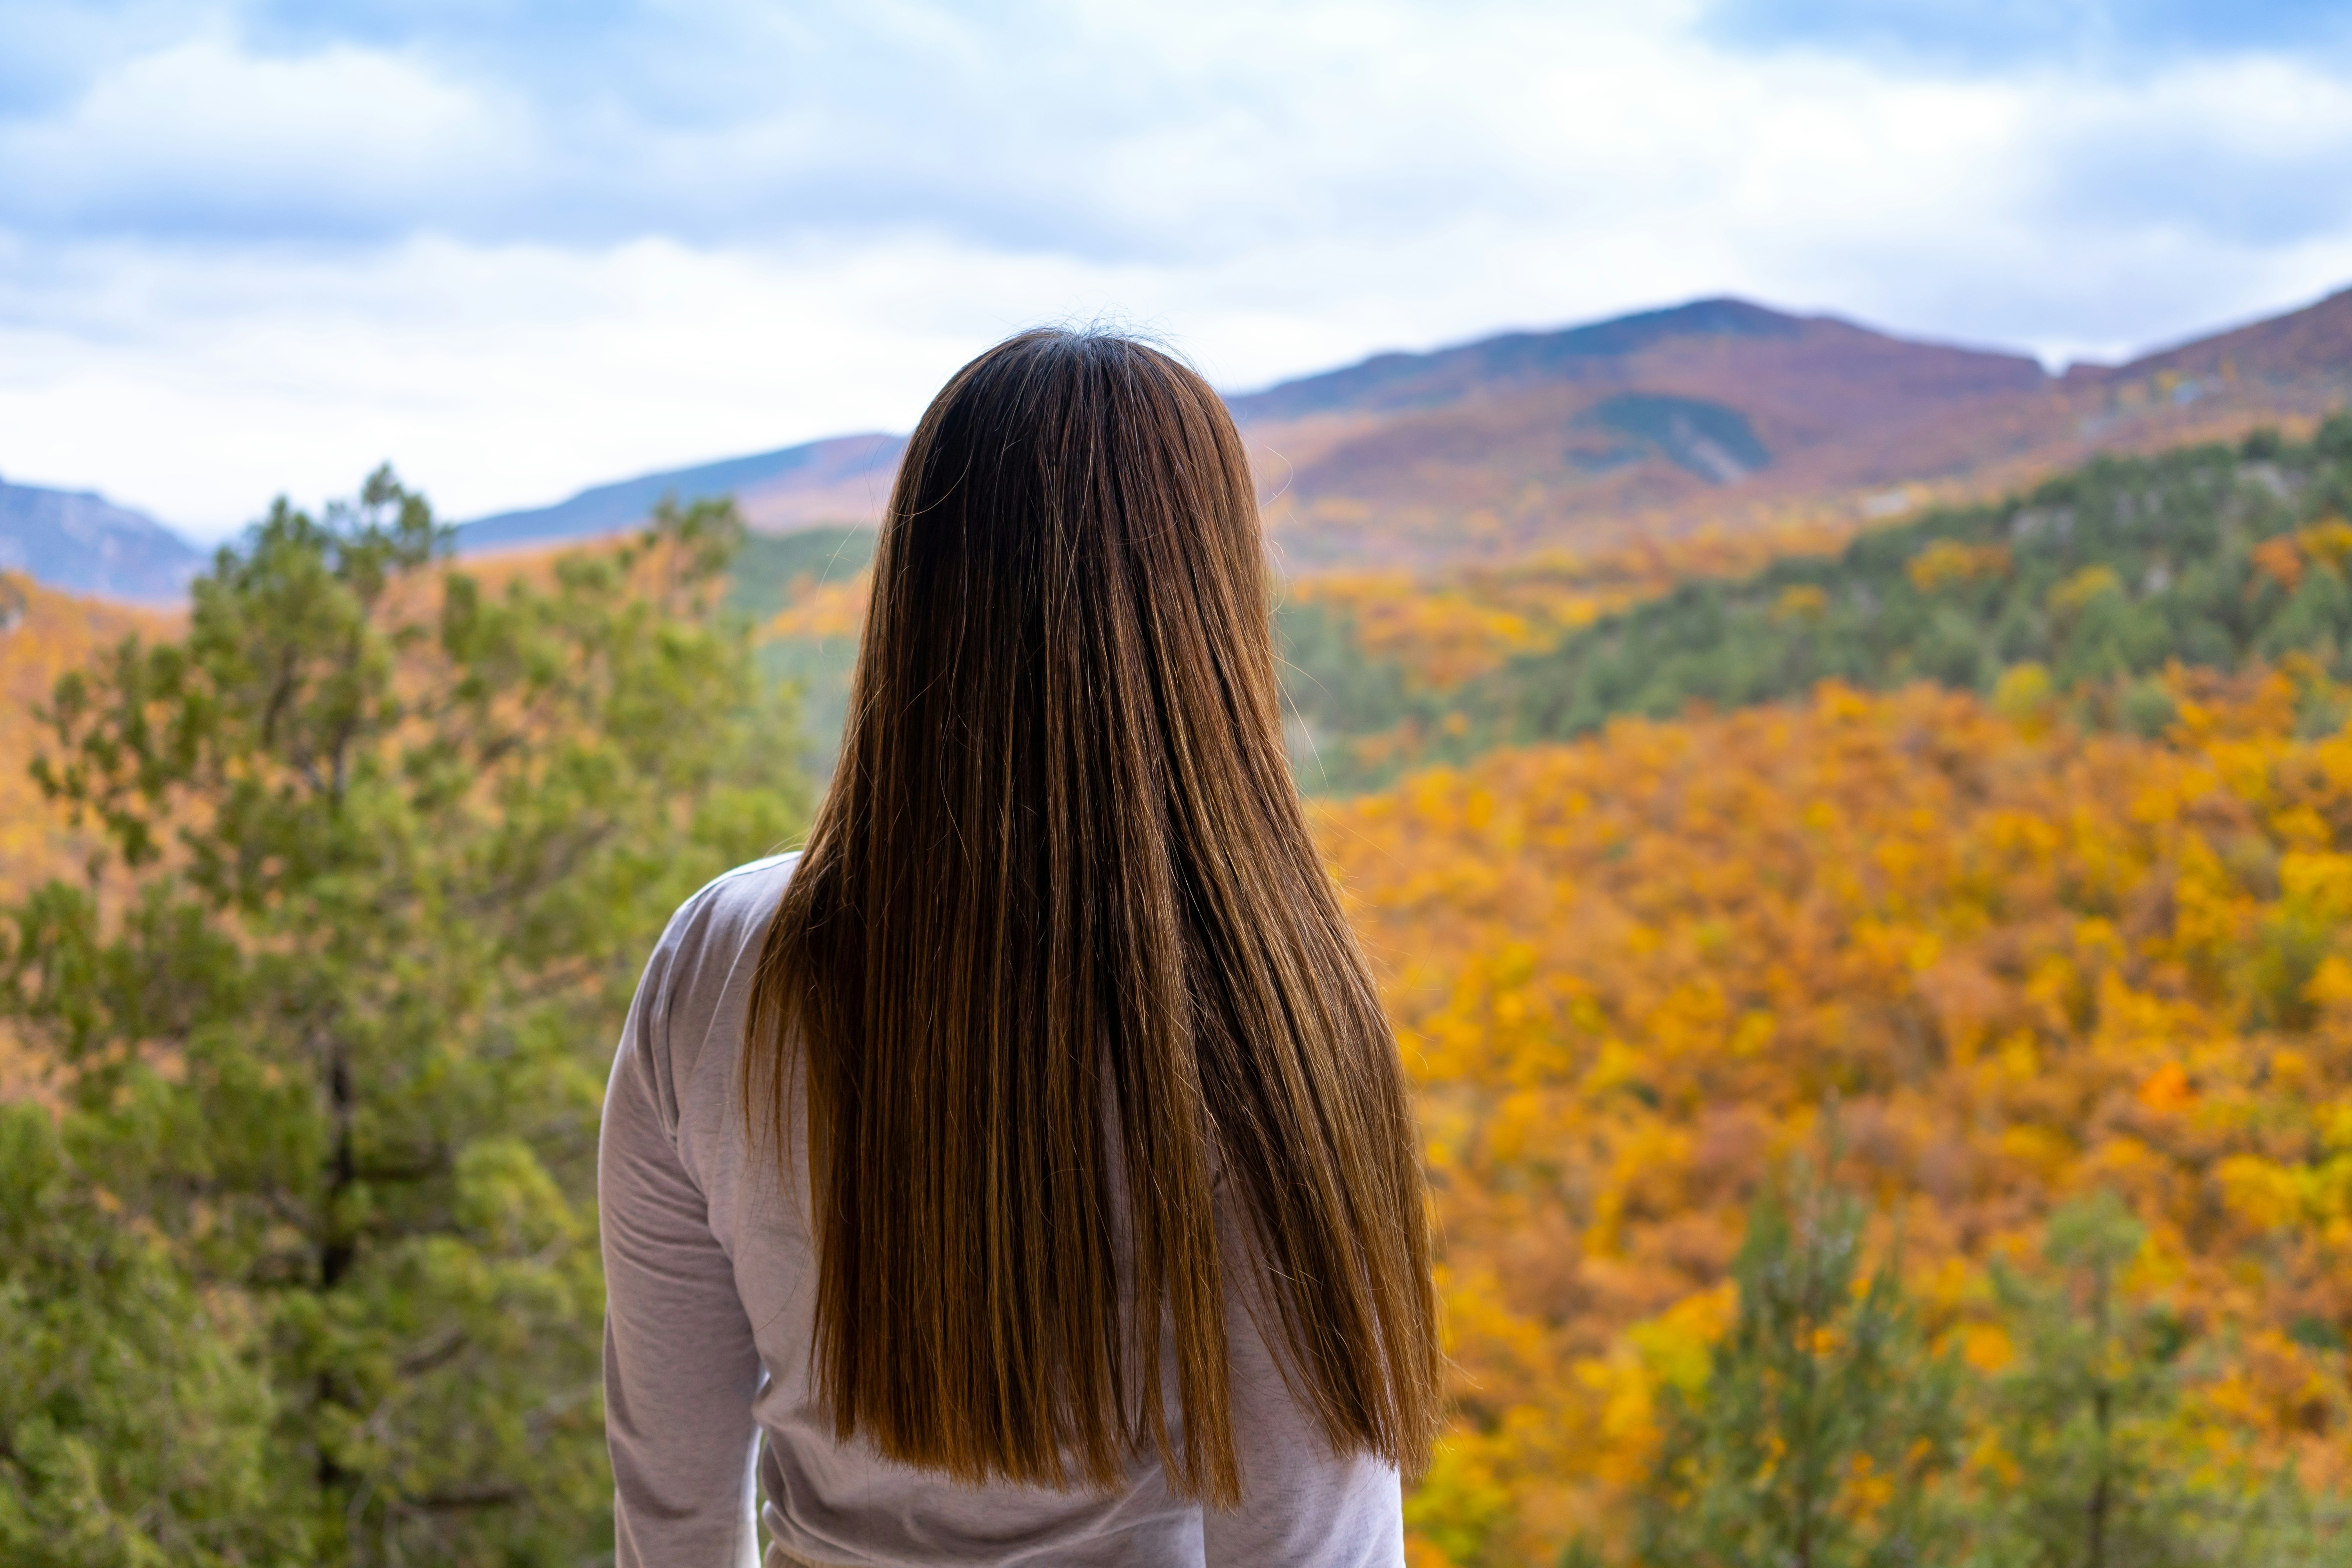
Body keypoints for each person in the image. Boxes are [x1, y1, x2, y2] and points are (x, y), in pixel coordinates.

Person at [599, 328, 1440, 1567]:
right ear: (1212, 615)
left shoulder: (719, 966)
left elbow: (670, 1514)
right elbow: (1316, 1549)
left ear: (917, 595)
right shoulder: (1267, 1022)